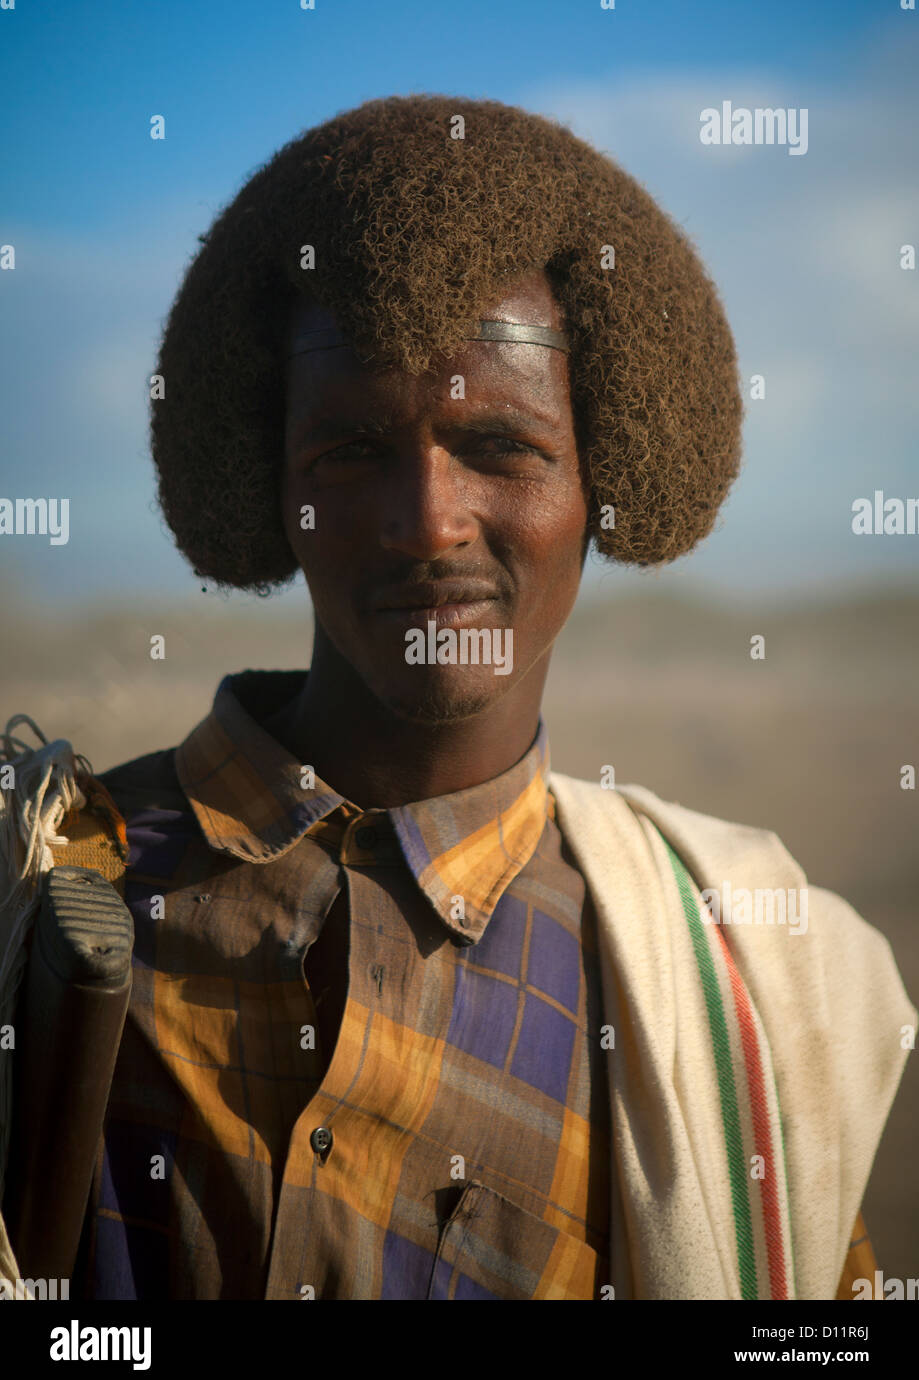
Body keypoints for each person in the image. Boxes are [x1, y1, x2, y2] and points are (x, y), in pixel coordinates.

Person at [66, 94, 912, 1301]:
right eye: (351, 450)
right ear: (270, 481)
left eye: (502, 448)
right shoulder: (58, 898)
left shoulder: (742, 1006)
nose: (426, 524)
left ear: (604, 481)